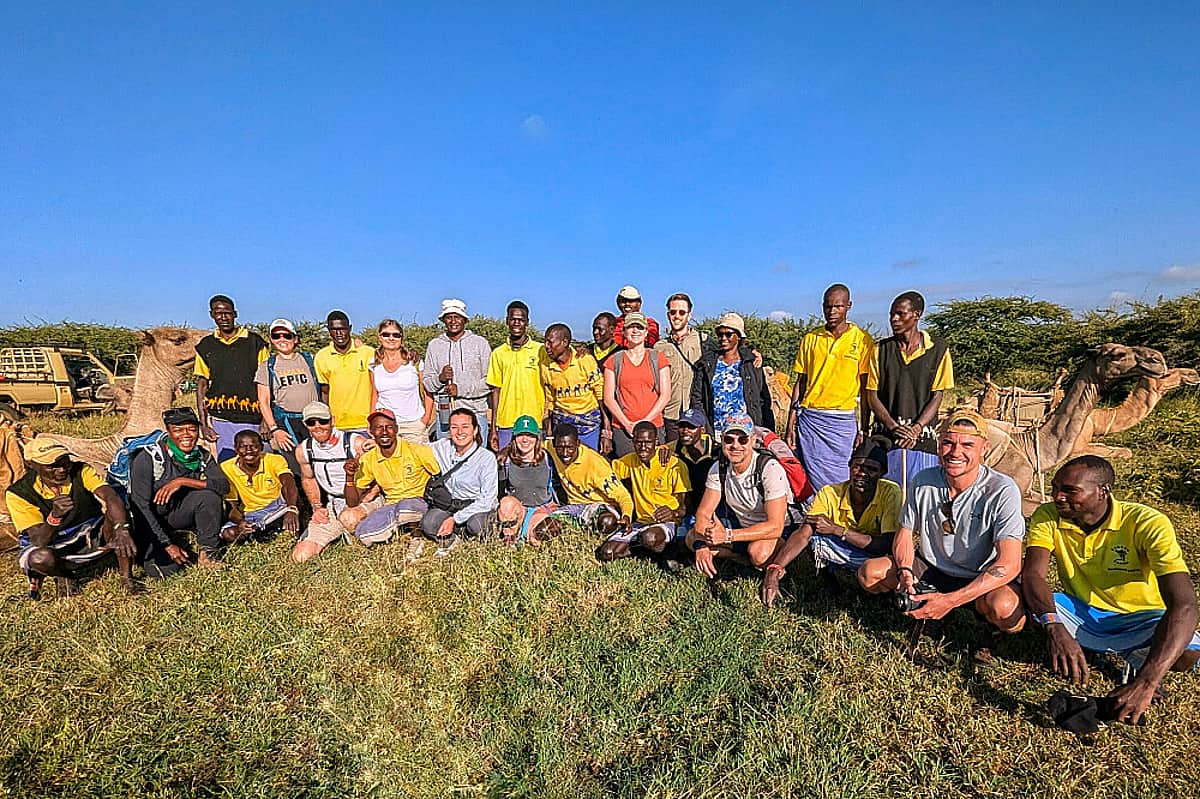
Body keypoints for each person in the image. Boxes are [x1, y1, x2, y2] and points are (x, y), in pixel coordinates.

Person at [1023, 455, 1200, 726]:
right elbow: (1033, 575)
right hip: (1081, 611)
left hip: (1140, 617)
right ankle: (1097, 647)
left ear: (1102, 492)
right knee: (1014, 602)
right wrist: (1054, 627)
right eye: (1055, 487)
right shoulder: (1048, 515)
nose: (1058, 496)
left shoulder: (1147, 522)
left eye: (1070, 490)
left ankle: (1136, 662)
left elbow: (1185, 604)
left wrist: (1148, 681)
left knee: (1187, 653)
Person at [857, 409, 1027, 658]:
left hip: (979, 574)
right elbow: (904, 532)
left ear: (984, 449)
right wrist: (905, 572)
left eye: (967, 444)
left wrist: (951, 600)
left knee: (1007, 611)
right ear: (938, 446)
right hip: (932, 567)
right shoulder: (923, 479)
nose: (955, 452)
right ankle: (919, 605)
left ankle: (988, 634)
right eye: (948, 443)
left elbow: (1010, 564)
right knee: (869, 574)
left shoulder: (1001, 490)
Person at [760, 439, 901, 607]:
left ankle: (880, 592)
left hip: (874, 554)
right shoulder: (830, 492)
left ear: (882, 473)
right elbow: (804, 533)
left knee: (883, 562)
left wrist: (838, 530)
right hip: (845, 548)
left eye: (871, 469)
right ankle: (830, 582)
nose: (862, 473)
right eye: (857, 467)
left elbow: (885, 545)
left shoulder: (891, 492)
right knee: (814, 537)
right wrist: (775, 568)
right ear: (849, 467)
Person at [6, 438, 139, 598]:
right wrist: (55, 517)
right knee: (40, 558)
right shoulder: (18, 493)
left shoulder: (81, 471)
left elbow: (110, 496)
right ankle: (64, 575)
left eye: (65, 461)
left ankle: (127, 577)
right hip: (56, 544)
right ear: (31, 464)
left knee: (117, 514)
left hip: (90, 534)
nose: (62, 469)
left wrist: (122, 529)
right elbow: (39, 541)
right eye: (52, 465)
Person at [785, 284, 874, 492]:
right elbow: (801, 381)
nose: (832, 312)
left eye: (838, 306)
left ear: (848, 306)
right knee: (809, 475)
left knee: (843, 474)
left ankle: (839, 518)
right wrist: (791, 419)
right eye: (828, 307)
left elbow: (865, 388)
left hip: (842, 422)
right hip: (811, 419)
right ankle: (813, 517)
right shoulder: (810, 340)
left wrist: (864, 428)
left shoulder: (862, 341)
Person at [127, 407, 230, 576]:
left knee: (209, 496)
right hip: (149, 522)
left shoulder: (201, 456)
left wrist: (183, 481)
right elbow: (140, 507)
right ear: (168, 432)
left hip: (177, 514)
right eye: (178, 430)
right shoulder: (147, 458)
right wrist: (166, 544)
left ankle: (208, 554)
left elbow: (223, 486)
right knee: (166, 572)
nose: (186, 435)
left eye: (192, 429)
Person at [686, 414, 793, 577]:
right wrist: (701, 544)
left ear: (752, 440)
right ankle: (741, 558)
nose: (735, 446)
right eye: (729, 440)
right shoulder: (719, 468)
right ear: (722, 440)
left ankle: (769, 560)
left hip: (774, 532)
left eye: (742, 440)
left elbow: (775, 526)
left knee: (759, 553)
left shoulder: (769, 469)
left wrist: (727, 536)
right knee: (691, 538)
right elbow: (703, 513)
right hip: (741, 527)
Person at [866, 291, 954, 479]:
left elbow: (937, 395)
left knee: (922, 495)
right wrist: (893, 427)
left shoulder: (938, 350)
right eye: (892, 315)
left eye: (900, 314)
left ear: (917, 315)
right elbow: (872, 396)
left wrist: (917, 428)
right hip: (886, 439)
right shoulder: (880, 350)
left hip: (922, 440)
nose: (894, 319)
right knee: (888, 500)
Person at [340, 409, 439, 546]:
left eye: (389, 427)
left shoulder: (416, 450)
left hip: (418, 500)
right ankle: (396, 528)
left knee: (407, 508)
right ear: (371, 432)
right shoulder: (368, 459)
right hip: (391, 504)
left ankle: (417, 537)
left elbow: (439, 476)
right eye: (379, 428)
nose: (384, 432)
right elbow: (352, 503)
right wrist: (349, 477)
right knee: (363, 534)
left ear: (397, 429)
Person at [290, 401, 374, 563]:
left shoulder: (354, 442)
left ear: (332, 421)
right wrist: (317, 507)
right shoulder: (304, 450)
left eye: (323, 421)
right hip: (333, 502)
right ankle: (335, 536)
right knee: (301, 556)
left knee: (349, 518)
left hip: (361, 500)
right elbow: (308, 478)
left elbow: (380, 470)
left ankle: (364, 537)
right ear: (305, 425)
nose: (317, 426)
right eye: (311, 423)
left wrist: (371, 495)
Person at [195, 294, 269, 460]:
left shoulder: (254, 342)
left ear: (235, 314)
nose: (223, 317)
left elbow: (267, 382)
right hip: (222, 420)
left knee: (260, 464)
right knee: (229, 466)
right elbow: (202, 385)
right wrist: (204, 424)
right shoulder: (205, 346)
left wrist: (266, 421)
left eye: (227, 312)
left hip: (254, 417)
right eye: (218, 313)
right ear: (211, 315)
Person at [602, 421, 690, 561]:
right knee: (607, 553)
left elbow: (686, 507)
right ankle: (648, 549)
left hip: (667, 523)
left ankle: (667, 546)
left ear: (656, 441)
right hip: (641, 522)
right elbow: (605, 469)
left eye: (648, 442)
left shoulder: (674, 465)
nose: (643, 447)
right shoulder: (630, 461)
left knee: (650, 537)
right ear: (633, 441)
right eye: (638, 442)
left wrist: (673, 512)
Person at [420, 409, 498, 556]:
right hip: (452, 505)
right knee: (429, 523)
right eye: (454, 427)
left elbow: (487, 500)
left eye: (465, 426)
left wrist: (455, 519)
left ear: (475, 430)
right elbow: (414, 447)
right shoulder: (442, 447)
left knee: (477, 525)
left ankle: (472, 538)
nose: (459, 432)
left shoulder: (486, 458)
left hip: (476, 507)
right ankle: (455, 539)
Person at [689, 312, 774, 437]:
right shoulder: (707, 363)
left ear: (738, 337)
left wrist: (767, 432)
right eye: (720, 334)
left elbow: (763, 400)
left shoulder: (751, 364)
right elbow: (697, 398)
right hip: (716, 432)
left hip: (746, 433)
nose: (724, 338)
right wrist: (705, 427)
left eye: (728, 334)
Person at [545, 423, 635, 540]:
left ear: (577, 443)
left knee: (607, 522)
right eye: (560, 448)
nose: (565, 453)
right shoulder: (551, 447)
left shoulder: (596, 464)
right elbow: (534, 445)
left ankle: (589, 530)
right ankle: (579, 529)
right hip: (575, 506)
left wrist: (627, 516)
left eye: (570, 448)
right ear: (554, 444)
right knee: (546, 528)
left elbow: (623, 496)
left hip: (600, 506)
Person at [422, 298, 492, 442]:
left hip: (475, 413)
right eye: (449, 317)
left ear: (464, 320)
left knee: (476, 460)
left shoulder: (480, 344)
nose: (453, 321)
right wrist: (440, 379)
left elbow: (489, 382)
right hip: (446, 416)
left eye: (457, 317)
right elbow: (427, 383)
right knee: (447, 461)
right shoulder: (434, 346)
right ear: (443, 320)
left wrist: (460, 389)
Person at [603, 312, 671, 457]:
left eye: (639, 327)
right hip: (623, 429)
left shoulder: (658, 358)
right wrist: (627, 424)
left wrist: (645, 422)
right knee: (628, 472)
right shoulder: (614, 361)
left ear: (646, 332)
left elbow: (665, 395)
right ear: (624, 331)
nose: (635, 331)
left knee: (655, 471)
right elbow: (608, 398)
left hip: (653, 426)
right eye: (631, 327)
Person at [255, 318, 321, 460]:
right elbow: (263, 401)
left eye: (287, 335)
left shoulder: (310, 359)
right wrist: (275, 429)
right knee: (295, 464)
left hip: (314, 420)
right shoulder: (267, 366)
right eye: (276, 336)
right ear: (271, 340)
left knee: (318, 461)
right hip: (287, 423)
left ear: (295, 339)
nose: (282, 339)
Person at [219, 430, 300, 544]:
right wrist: (241, 522)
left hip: (278, 505)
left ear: (261, 447)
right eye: (243, 447)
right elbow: (232, 505)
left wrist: (292, 507)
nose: (249, 451)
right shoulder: (226, 467)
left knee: (292, 492)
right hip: (252, 513)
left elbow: (288, 482)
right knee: (229, 534)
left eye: (254, 446)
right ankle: (264, 530)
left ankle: (287, 521)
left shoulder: (274, 459)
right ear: (236, 449)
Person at [540, 323, 607, 452]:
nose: (546, 347)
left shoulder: (584, 360)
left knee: (588, 461)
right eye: (545, 342)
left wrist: (606, 425)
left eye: (550, 342)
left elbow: (599, 392)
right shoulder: (546, 366)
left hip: (588, 423)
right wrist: (548, 431)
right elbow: (550, 400)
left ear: (565, 342)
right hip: (562, 420)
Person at [487, 301, 544, 450]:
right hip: (506, 421)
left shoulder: (541, 351)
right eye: (513, 319)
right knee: (506, 466)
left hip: (534, 421)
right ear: (507, 321)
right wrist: (493, 428)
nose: (517, 323)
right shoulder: (498, 353)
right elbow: (495, 391)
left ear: (527, 322)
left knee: (533, 465)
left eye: (521, 319)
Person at [496, 416, 562, 545]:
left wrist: (553, 507)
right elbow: (500, 491)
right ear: (514, 438)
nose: (525, 439)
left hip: (541, 508)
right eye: (521, 435)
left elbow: (558, 486)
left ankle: (528, 534)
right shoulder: (506, 461)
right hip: (518, 509)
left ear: (537, 438)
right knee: (506, 503)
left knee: (537, 539)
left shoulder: (548, 457)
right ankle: (510, 540)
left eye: (529, 435)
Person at [370, 319, 435, 444]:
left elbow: (428, 392)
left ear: (401, 337)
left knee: (416, 462)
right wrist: (372, 421)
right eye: (386, 334)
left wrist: (425, 419)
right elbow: (374, 394)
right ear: (380, 337)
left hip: (413, 425)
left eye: (396, 335)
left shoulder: (413, 362)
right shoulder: (373, 363)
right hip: (385, 425)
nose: (391, 338)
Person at [655, 292, 707, 440]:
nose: (677, 316)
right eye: (673, 312)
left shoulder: (703, 341)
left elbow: (728, 353)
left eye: (682, 312)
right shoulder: (659, 347)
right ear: (668, 314)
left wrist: (752, 353)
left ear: (689, 315)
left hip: (696, 414)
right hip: (671, 415)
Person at [315, 310, 375, 435]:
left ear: (350, 328)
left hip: (366, 424)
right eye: (334, 329)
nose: (339, 333)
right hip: (337, 426)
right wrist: (327, 420)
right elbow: (325, 391)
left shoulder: (368, 353)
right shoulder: (322, 356)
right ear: (329, 331)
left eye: (343, 328)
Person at [672, 408, 717, 519]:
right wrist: (663, 451)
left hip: (714, 509)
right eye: (682, 426)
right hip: (687, 508)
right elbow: (656, 450)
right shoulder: (675, 447)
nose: (685, 431)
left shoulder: (717, 450)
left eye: (691, 427)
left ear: (702, 430)